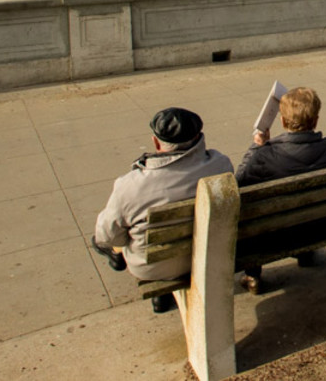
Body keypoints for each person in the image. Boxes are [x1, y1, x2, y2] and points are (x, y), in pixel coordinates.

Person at [91, 107, 234, 313]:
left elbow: (108, 236)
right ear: (198, 137)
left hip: (152, 267)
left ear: (156, 142)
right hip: (210, 254)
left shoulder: (130, 186)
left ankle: (159, 293)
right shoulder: (221, 165)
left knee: (105, 237)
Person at [234, 86, 326, 294]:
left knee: (249, 218)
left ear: (283, 121)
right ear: (315, 121)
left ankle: (253, 274)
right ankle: (305, 254)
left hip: (274, 235)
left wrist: (257, 147)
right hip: (321, 225)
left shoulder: (265, 156)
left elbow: (238, 185)